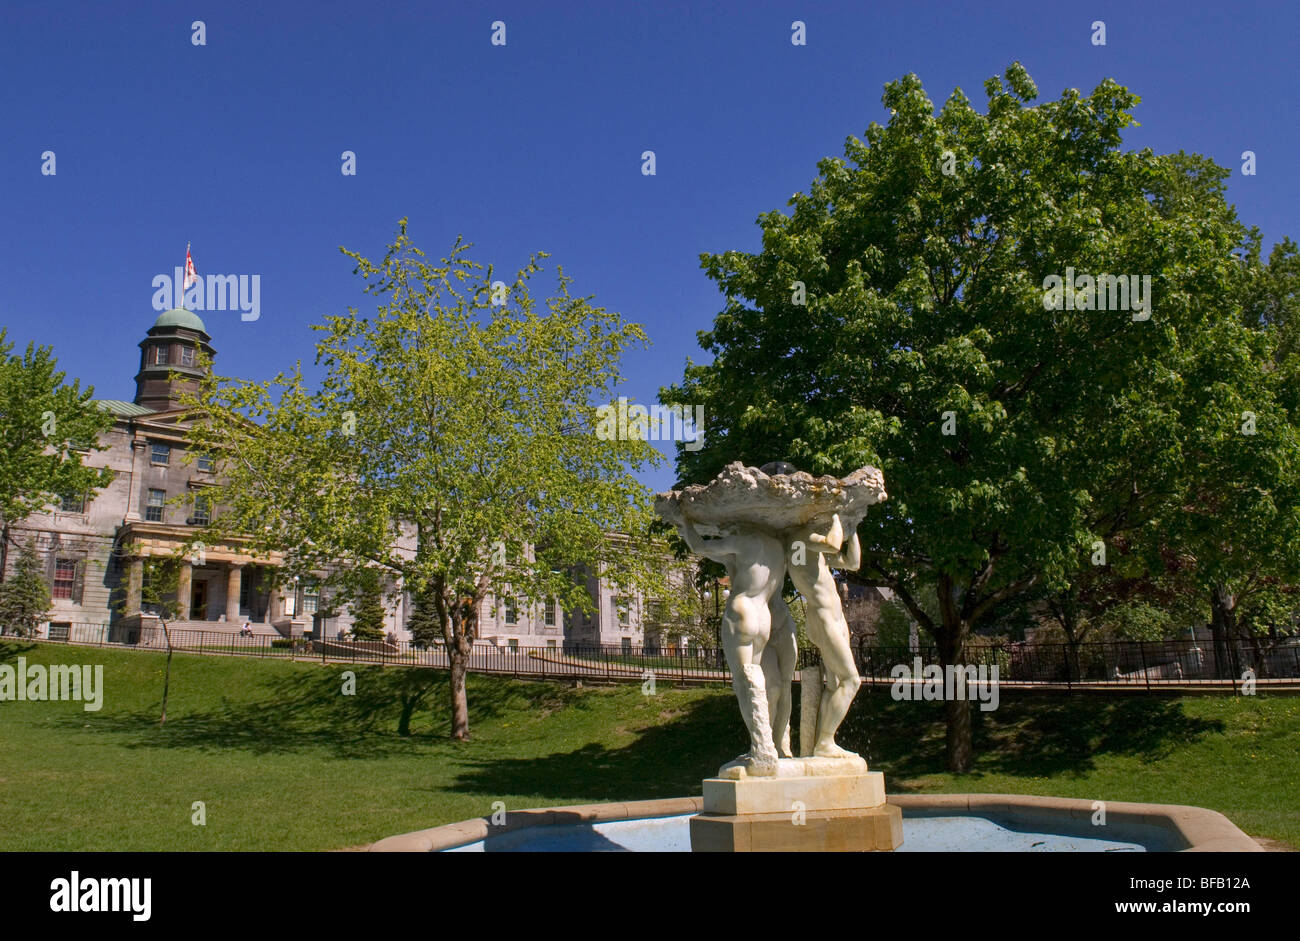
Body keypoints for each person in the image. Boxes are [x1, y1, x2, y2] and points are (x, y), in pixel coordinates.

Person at [674, 516, 786, 775]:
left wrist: (685, 524)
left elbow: (700, 548)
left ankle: (761, 747)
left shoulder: (743, 539)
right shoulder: (776, 547)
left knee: (743, 683)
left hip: (741, 608)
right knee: (756, 678)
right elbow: (731, 560)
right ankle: (764, 742)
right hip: (763, 616)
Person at [786, 512, 863, 759]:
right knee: (852, 680)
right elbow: (832, 543)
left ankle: (823, 743)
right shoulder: (798, 539)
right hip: (823, 618)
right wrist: (839, 519)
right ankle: (825, 742)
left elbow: (853, 563)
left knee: (836, 684)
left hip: (836, 617)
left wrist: (853, 531)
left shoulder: (812, 551)